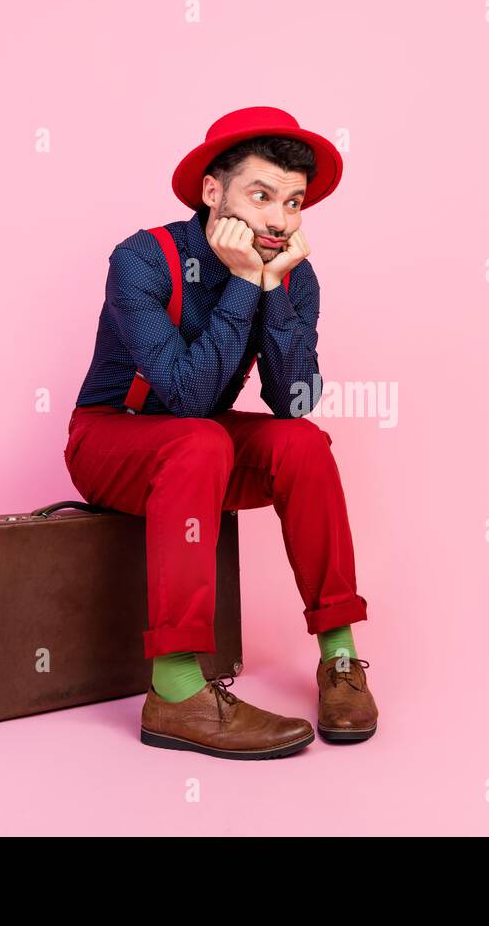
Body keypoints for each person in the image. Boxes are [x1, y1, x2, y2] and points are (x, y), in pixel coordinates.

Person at [63, 106, 377, 760]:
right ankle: (176, 690)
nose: (278, 219)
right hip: (111, 441)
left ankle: (340, 658)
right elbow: (185, 396)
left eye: (293, 202)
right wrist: (241, 283)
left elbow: (295, 401)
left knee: (305, 445)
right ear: (214, 192)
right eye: (260, 195)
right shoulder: (142, 259)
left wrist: (274, 288)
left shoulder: (290, 271)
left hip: (199, 450)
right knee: (199, 438)